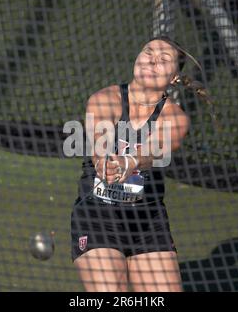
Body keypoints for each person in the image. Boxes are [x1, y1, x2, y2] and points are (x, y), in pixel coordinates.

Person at [71, 36, 203, 292]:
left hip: (148, 221)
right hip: (98, 217)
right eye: (147, 52)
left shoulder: (175, 117)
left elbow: (156, 147)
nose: (152, 60)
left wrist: (130, 161)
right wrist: (105, 163)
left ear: (175, 77)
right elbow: (100, 142)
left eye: (163, 59)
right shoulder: (104, 98)